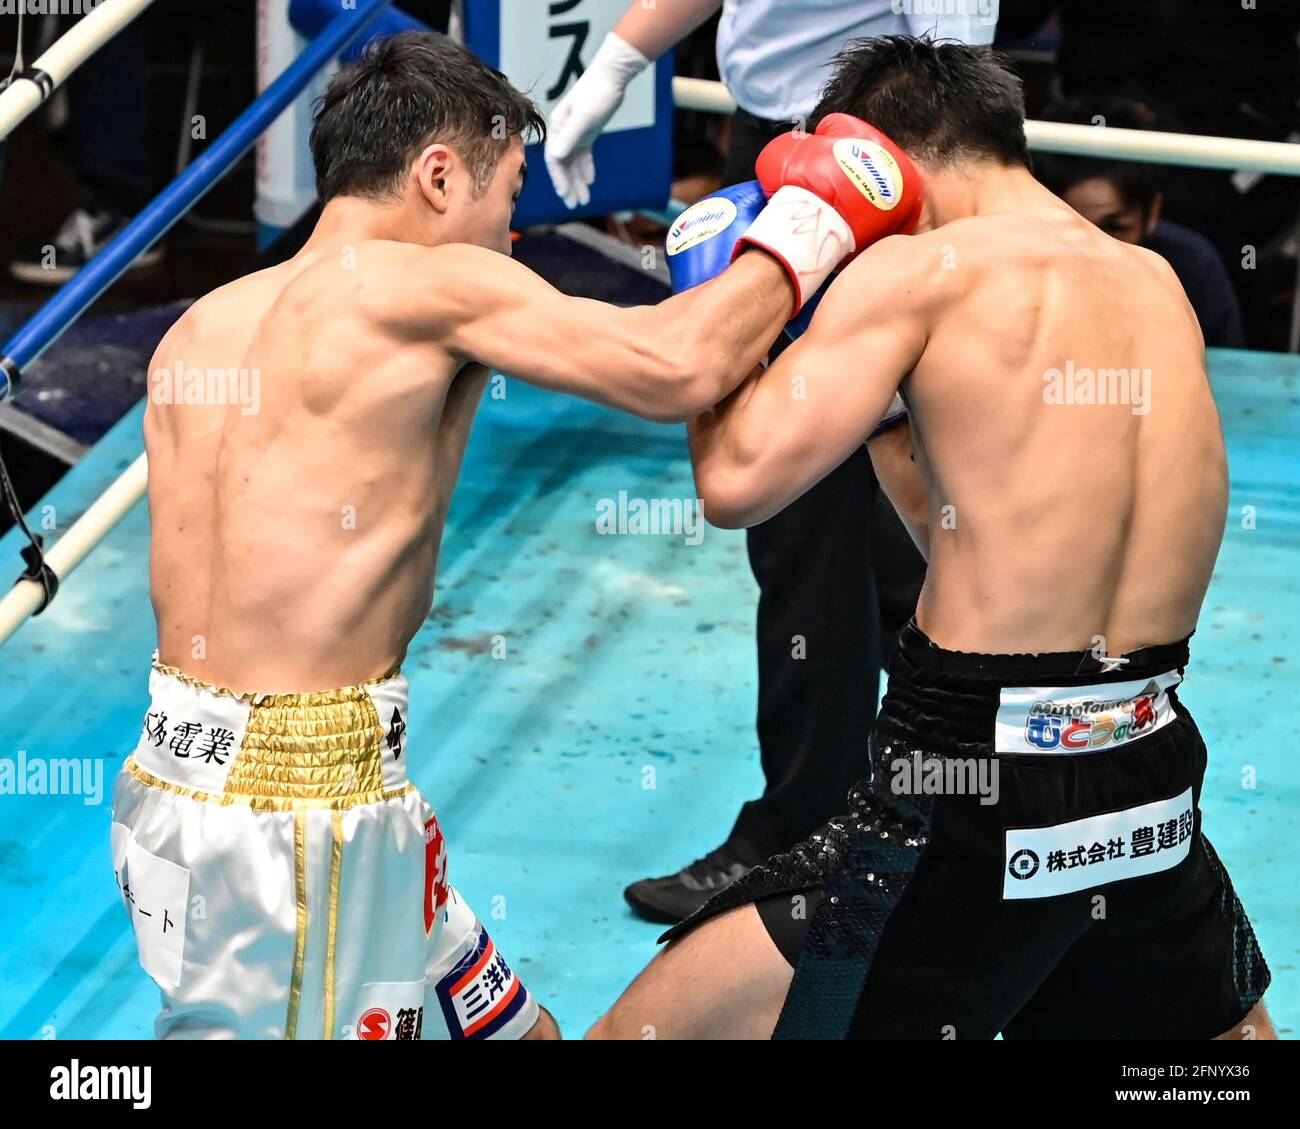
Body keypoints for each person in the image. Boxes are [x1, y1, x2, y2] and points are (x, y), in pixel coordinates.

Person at [111, 31, 918, 1039]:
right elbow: (676, 368)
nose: (514, 240)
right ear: (438, 176)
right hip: (298, 824)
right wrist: (813, 220)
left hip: (209, 770)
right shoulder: (427, 285)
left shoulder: (205, 324)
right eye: (508, 202)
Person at [586, 36, 1274, 1041]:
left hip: (966, 784)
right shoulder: (1150, 283)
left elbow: (734, 482)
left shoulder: (913, 274)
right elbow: (947, 527)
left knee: (644, 1033)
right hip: (1145, 765)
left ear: (869, 164)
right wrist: (879, 415)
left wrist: (727, 297)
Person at [545, 0, 998, 926]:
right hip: (785, 148)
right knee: (876, 534)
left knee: (805, 523)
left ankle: (799, 838)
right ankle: (962, 800)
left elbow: (955, 72)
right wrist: (616, 64)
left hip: (884, 166)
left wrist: (923, 229)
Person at [1033, 99, 1245, 349]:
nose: (1091, 247)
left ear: (1152, 212)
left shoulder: (1193, 267)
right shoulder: (1009, 267)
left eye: (1115, 228)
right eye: (1072, 225)